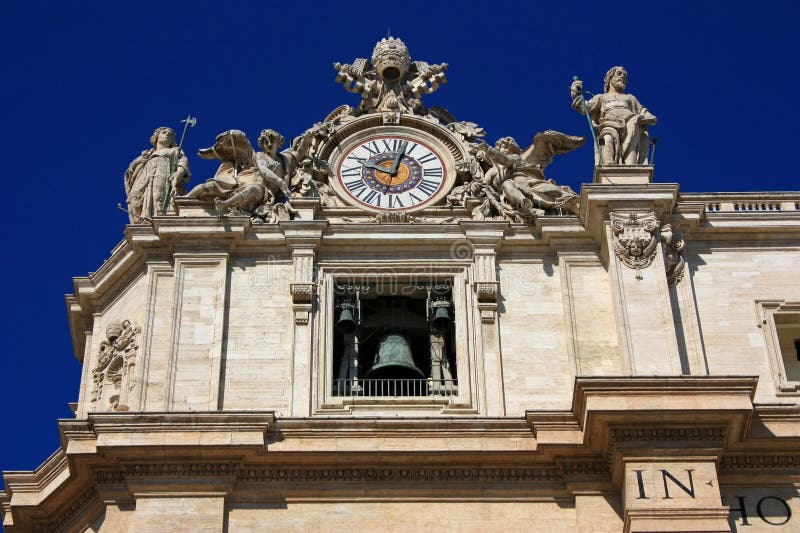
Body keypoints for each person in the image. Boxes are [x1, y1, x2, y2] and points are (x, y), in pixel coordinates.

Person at [571, 66, 656, 165]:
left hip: (631, 124)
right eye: (619, 73)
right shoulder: (601, 97)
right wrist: (576, 94)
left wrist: (650, 117)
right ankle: (608, 168)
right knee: (607, 139)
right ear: (609, 78)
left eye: (625, 76)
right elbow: (585, 108)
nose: (623, 76)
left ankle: (630, 172)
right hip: (609, 123)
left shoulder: (629, 98)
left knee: (631, 150)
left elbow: (642, 110)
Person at [124, 127, 190, 223]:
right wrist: (140, 160)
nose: (167, 134)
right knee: (135, 197)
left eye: (169, 134)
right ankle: (140, 220)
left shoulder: (175, 150)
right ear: (157, 136)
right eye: (164, 132)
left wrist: (179, 173)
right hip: (144, 177)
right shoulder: (148, 153)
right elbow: (130, 171)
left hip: (162, 173)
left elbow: (183, 162)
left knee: (158, 195)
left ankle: (157, 220)